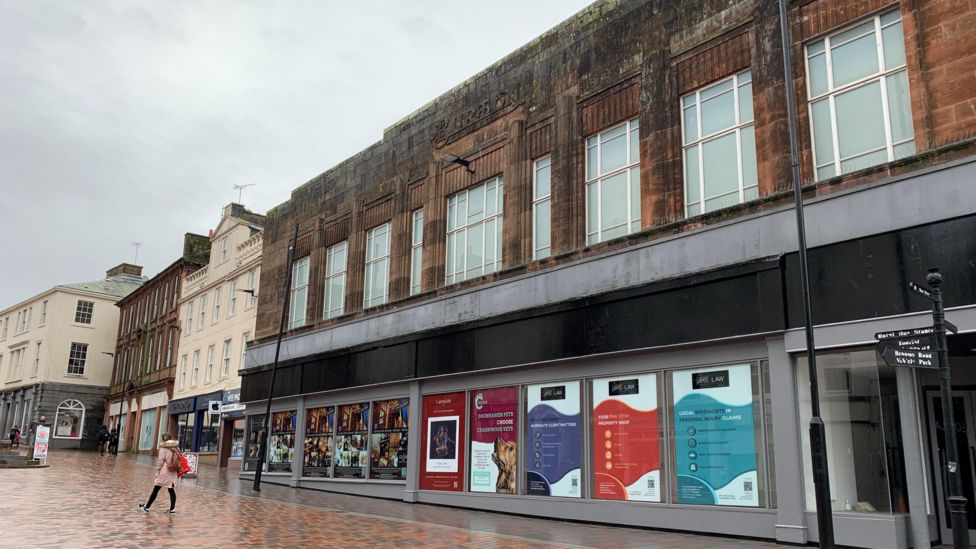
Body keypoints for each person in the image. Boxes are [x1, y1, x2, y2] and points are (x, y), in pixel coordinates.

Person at [138, 433, 180, 514]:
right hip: (173, 470)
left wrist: (157, 471)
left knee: (156, 488)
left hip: (164, 471)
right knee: (171, 490)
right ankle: (172, 509)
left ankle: (146, 507)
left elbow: (161, 461)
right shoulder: (176, 446)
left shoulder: (163, 447)